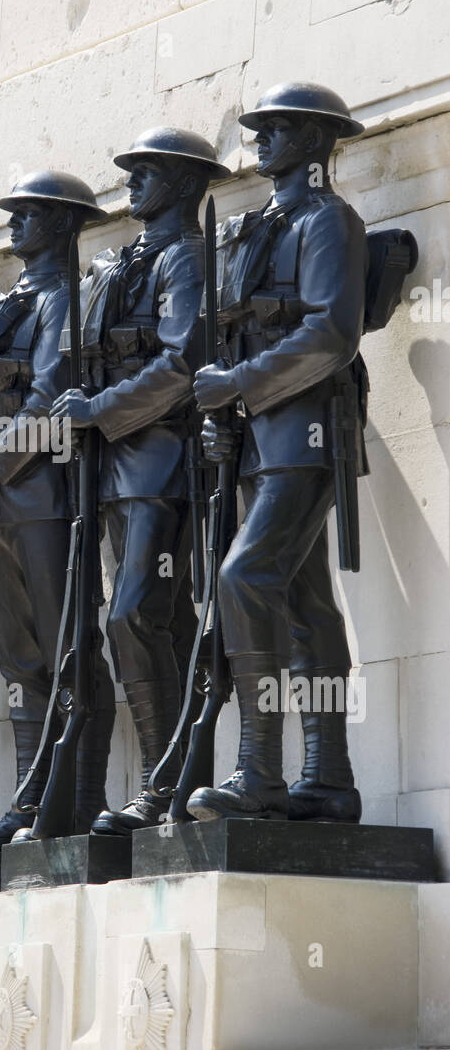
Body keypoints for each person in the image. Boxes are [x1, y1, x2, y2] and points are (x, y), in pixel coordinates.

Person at [187, 82, 367, 823]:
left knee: (244, 577)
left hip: (308, 429)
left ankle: (257, 771)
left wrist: (238, 383)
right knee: (303, 602)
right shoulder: (259, 227)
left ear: (314, 139)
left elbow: (330, 333)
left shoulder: (327, 221)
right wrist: (222, 404)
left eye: (278, 127)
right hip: (260, 437)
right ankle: (327, 781)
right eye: (259, 126)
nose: (259, 136)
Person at [52, 129, 230, 834]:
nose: (130, 181)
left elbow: (182, 361)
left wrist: (96, 411)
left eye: (147, 172)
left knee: (134, 616)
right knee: (145, 620)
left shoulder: (184, 259)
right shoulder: (118, 264)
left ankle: (166, 782)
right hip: (113, 474)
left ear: (183, 185)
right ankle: (180, 779)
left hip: (161, 464)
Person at [0, 171, 118, 852]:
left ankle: (79, 797)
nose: (13, 222)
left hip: (45, 498)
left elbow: (49, 399)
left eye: (30, 212)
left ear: (64, 223)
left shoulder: (66, 299)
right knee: (19, 662)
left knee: (68, 646)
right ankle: (29, 798)